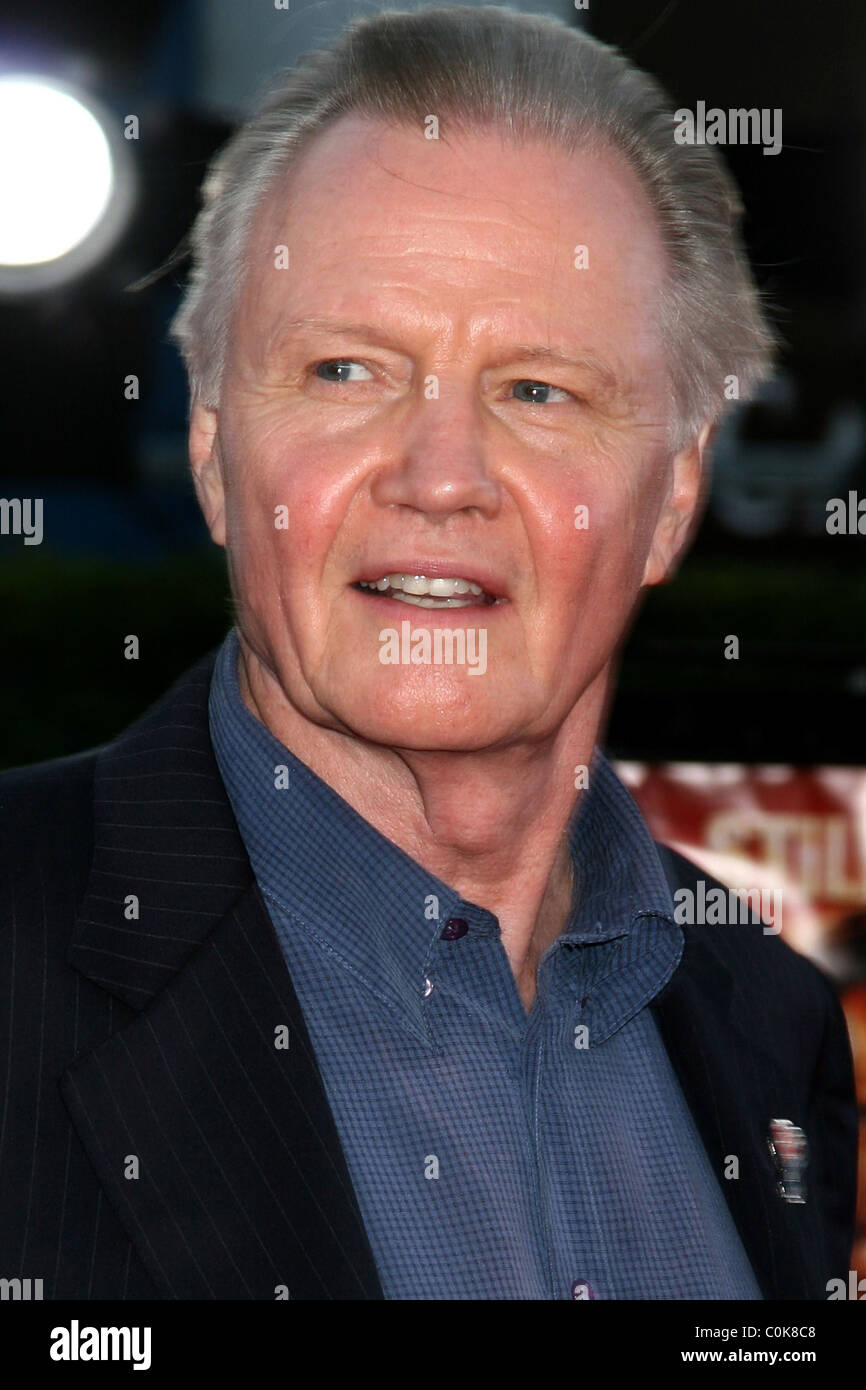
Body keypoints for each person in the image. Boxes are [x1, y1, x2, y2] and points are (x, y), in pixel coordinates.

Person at [0, 6, 856, 1300]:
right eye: (347, 370)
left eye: (538, 390)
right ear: (211, 452)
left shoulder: (772, 1019)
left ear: (674, 495)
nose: (439, 477)